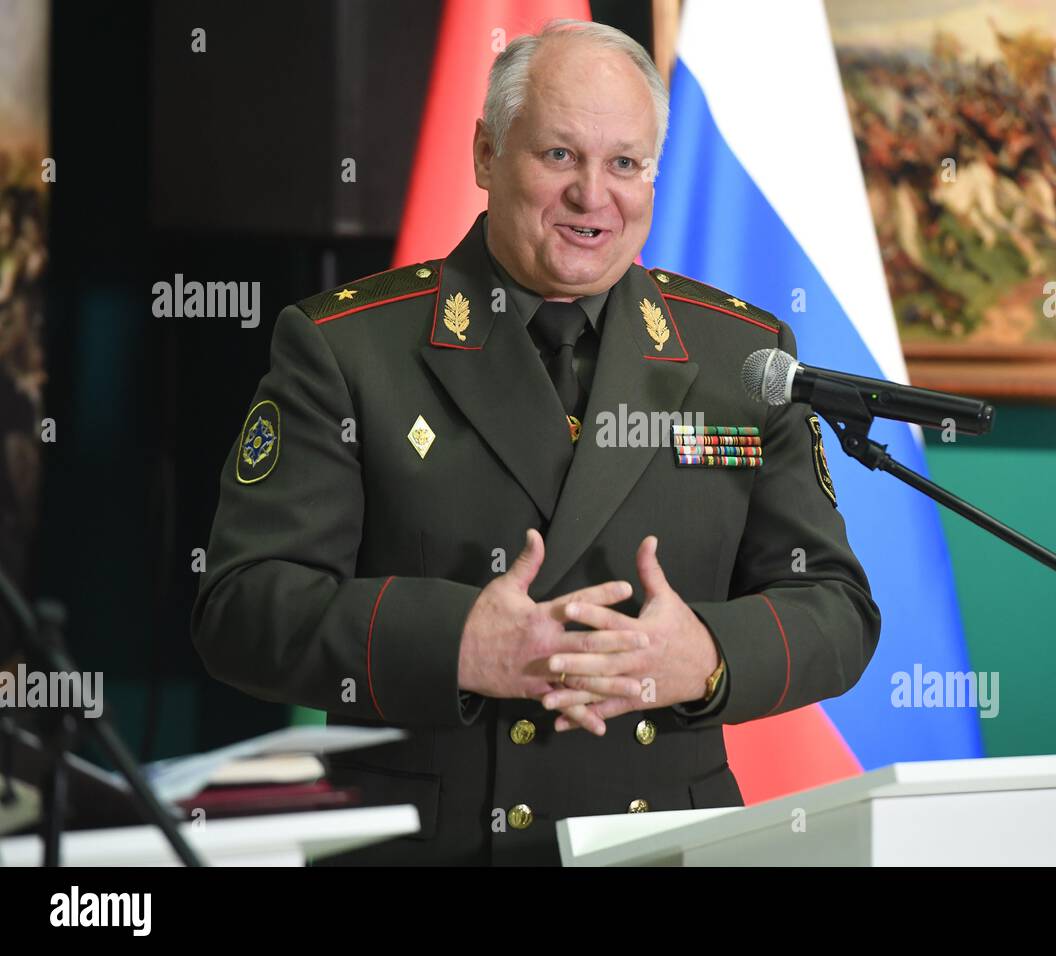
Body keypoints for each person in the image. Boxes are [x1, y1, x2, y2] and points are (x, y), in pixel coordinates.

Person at [192, 19, 880, 866]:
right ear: (486, 155)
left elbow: (837, 609)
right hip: (434, 845)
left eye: (625, 163)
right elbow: (240, 606)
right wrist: (457, 644)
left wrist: (706, 656)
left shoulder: (741, 356)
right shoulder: (347, 347)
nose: (595, 196)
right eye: (559, 155)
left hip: (663, 844)